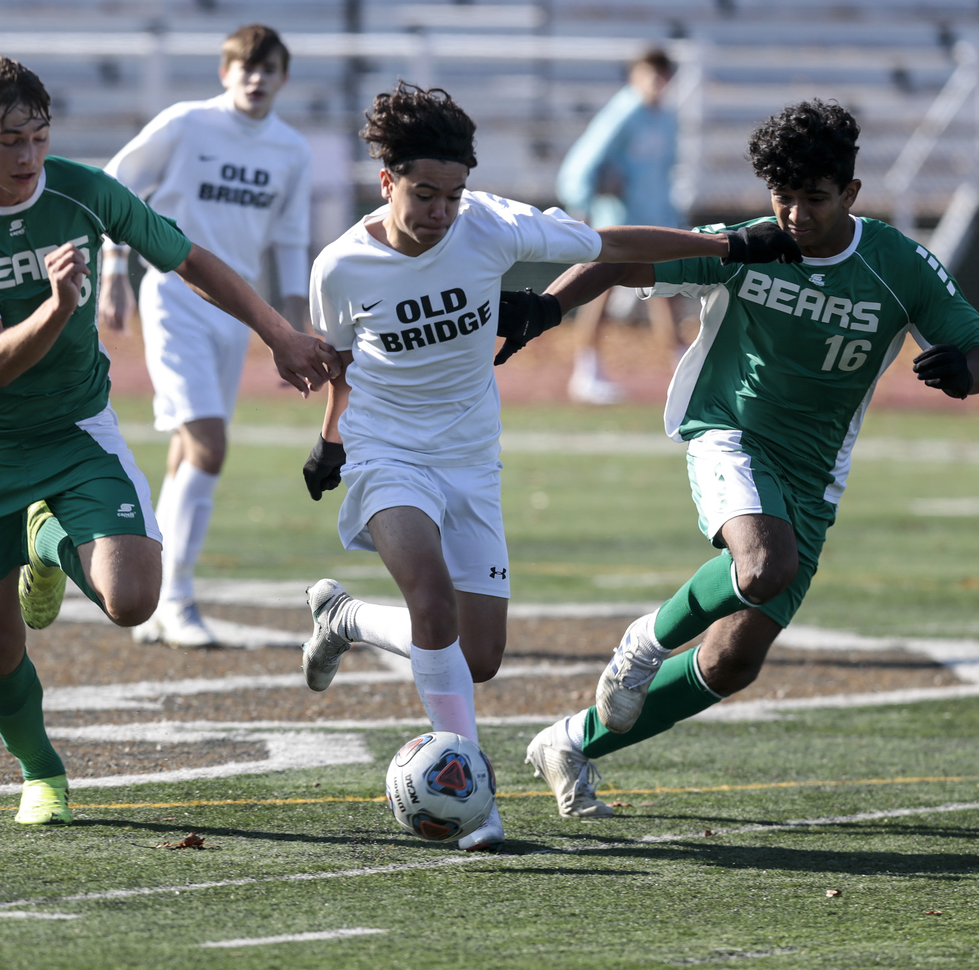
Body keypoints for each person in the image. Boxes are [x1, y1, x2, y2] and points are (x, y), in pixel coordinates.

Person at [296, 81, 800, 850]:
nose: (440, 212)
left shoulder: (491, 226)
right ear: (386, 181)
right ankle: (474, 799)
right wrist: (332, 441)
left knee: (478, 655)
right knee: (432, 603)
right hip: (386, 452)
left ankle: (346, 619)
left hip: (469, 461)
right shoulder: (340, 268)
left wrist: (728, 246)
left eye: (454, 196)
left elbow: (612, 245)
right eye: (424, 194)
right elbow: (339, 364)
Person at [515, 99, 979, 819]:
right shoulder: (748, 246)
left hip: (814, 477)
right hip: (728, 433)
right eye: (783, 200)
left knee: (731, 661)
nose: (798, 218)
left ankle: (572, 742)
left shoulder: (897, 263)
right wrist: (546, 309)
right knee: (762, 566)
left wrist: (968, 372)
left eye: (815, 199)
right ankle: (644, 641)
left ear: (851, 194)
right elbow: (616, 257)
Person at [0, 56, 338, 826]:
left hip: (76, 426)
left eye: (40, 138)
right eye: (10, 141)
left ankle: (42, 542)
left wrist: (279, 333)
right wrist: (58, 304)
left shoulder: (84, 191)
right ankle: (41, 770)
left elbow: (191, 259)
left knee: (135, 599)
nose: (29, 158)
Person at [99, 24, 313, 648]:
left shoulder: (291, 151)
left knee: (189, 452)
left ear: (283, 78)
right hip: (173, 298)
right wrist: (114, 271)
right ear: (225, 72)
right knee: (209, 444)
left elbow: (290, 242)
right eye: (244, 66)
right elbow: (113, 186)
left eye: (268, 67)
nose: (255, 77)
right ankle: (179, 597)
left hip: (236, 310)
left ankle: (159, 597)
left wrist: (292, 328)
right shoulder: (187, 124)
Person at [556, 48, 682, 404]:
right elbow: (580, 167)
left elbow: (664, 172)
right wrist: (583, 199)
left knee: (668, 290)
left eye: (663, 75)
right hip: (620, 224)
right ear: (635, 76)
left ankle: (681, 369)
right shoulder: (623, 112)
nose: (657, 83)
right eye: (650, 74)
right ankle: (587, 370)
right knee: (599, 293)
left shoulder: (667, 117)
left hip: (655, 220)